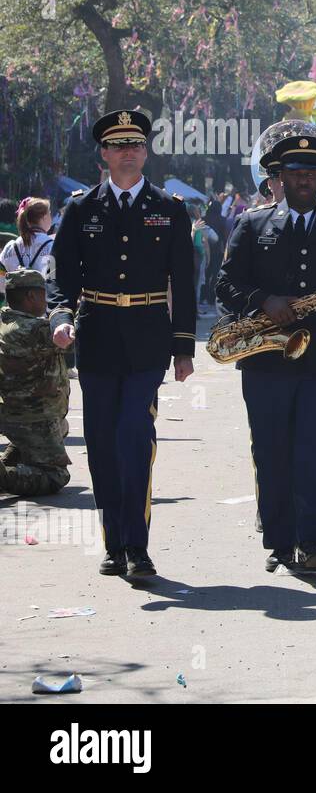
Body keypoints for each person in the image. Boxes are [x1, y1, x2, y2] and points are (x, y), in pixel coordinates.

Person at [215, 130, 316, 573]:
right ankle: (279, 541)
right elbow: (224, 284)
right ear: (280, 178)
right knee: (272, 451)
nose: (305, 179)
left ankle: (312, 541)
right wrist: (263, 301)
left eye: (312, 172)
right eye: (295, 172)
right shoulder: (252, 224)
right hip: (268, 358)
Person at [47, 110, 197, 579]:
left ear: (146, 151)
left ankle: (137, 545)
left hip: (148, 337)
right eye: (119, 144)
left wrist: (183, 347)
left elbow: (184, 282)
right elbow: (62, 276)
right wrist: (60, 317)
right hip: (96, 335)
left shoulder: (169, 208)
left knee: (135, 435)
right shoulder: (81, 208)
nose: (128, 150)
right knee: (102, 444)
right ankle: (114, 543)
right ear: (104, 155)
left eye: (136, 143)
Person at [0, 269, 72, 496]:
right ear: (31, 296)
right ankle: (4, 476)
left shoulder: (5, 320)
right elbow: (77, 334)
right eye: (44, 294)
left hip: (16, 412)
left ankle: (14, 457)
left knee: (62, 427)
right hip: (32, 416)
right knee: (57, 476)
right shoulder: (34, 331)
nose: (48, 299)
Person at [0, 198, 55, 295]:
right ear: (44, 217)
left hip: (14, 307)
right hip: (42, 308)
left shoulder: (11, 247)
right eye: (50, 213)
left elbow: (1, 283)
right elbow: (53, 282)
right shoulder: (52, 246)